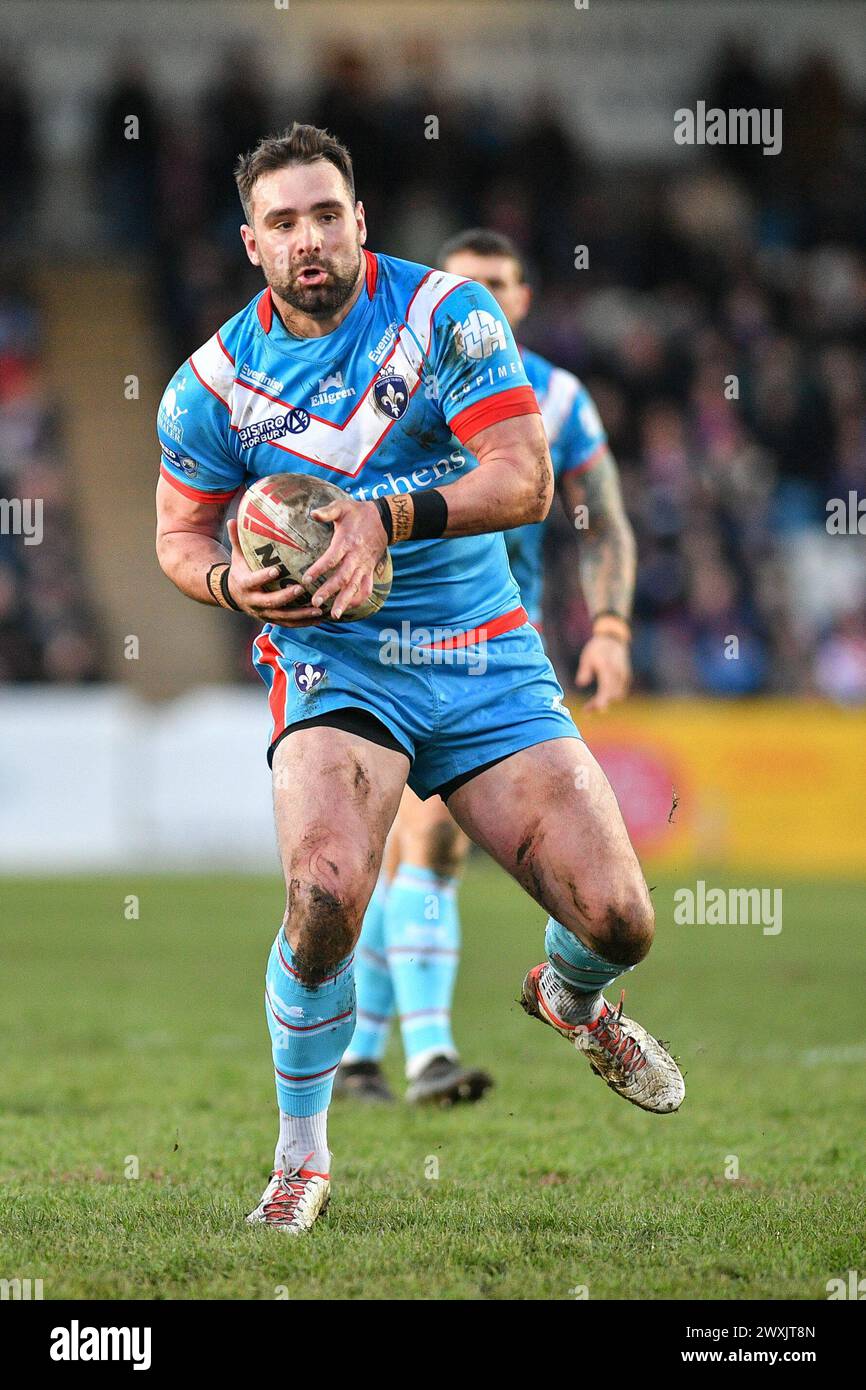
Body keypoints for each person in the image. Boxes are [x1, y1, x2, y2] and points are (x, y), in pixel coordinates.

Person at [155, 123, 684, 1236]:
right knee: (324, 896)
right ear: (252, 243)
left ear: (360, 219)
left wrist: (380, 516)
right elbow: (178, 535)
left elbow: (525, 481)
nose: (309, 238)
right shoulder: (210, 387)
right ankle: (301, 1159)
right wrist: (230, 586)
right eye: (283, 222)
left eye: (326, 214)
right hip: (338, 661)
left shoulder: (447, 316)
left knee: (620, 920)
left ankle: (568, 996)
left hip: (480, 651)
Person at [339, 229, 636, 1105]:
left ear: (523, 297)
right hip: (389, 649)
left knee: (416, 849)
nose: (486, 301)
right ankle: (423, 1057)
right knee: (419, 844)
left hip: (498, 655)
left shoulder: (557, 397)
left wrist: (610, 626)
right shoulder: (385, 381)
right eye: (467, 284)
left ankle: (365, 1055)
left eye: (500, 285)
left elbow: (603, 519)